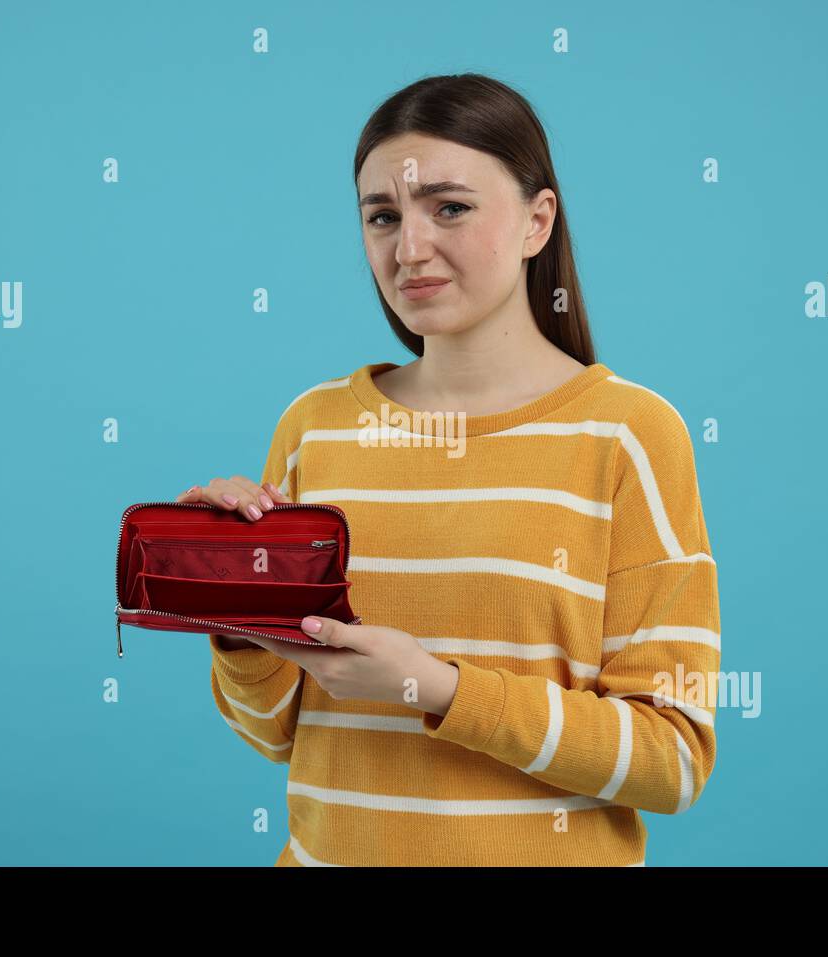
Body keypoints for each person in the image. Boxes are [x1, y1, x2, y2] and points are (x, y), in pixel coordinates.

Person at [178, 73, 721, 866]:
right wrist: (237, 622)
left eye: (451, 207)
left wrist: (439, 688)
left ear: (538, 221)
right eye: (383, 216)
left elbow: (672, 760)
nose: (409, 249)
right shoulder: (314, 428)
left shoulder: (630, 435)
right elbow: (275, 734)